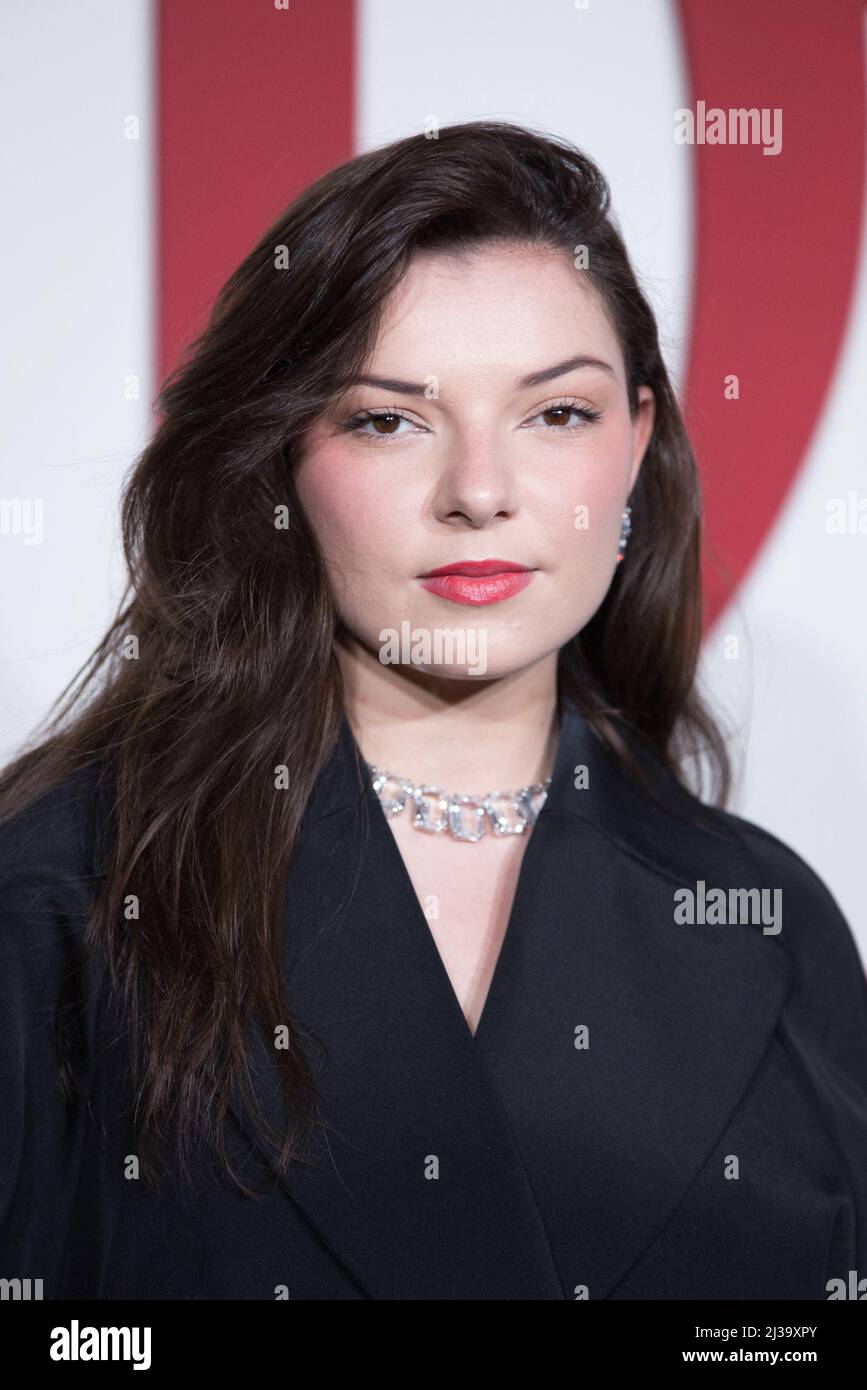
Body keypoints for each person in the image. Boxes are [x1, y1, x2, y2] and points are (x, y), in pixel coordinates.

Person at [1, 121, 865, 1301]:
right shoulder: (65, 900)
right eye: (387, 418)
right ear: (280, 465)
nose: (479, 491)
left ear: (639, 442)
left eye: (555, 413)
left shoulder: (771, 924)